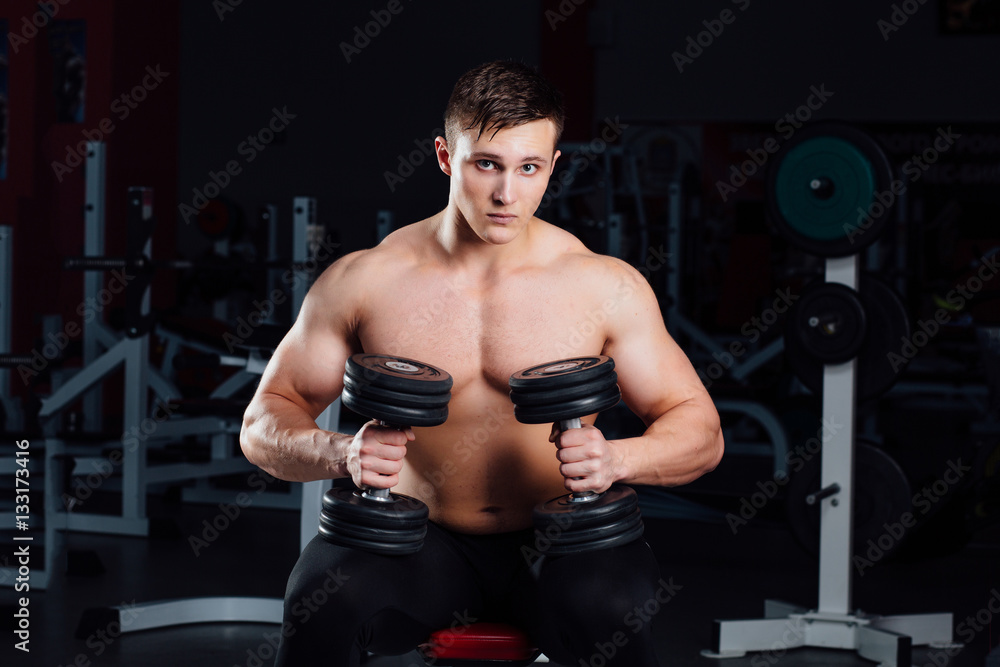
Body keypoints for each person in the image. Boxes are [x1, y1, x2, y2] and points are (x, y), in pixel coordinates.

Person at [240, 60, 724, 666]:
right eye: (487, 164)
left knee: (614, 605)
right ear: (446, 156)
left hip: (564, 544)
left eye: (529, 168)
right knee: (321, 599)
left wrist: (619, 458)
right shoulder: (364, 281)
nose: (506, 194)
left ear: (553, 166)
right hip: (419, 544)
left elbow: (700, 433)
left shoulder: (603, 287)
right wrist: (342, 452)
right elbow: (262, 425)